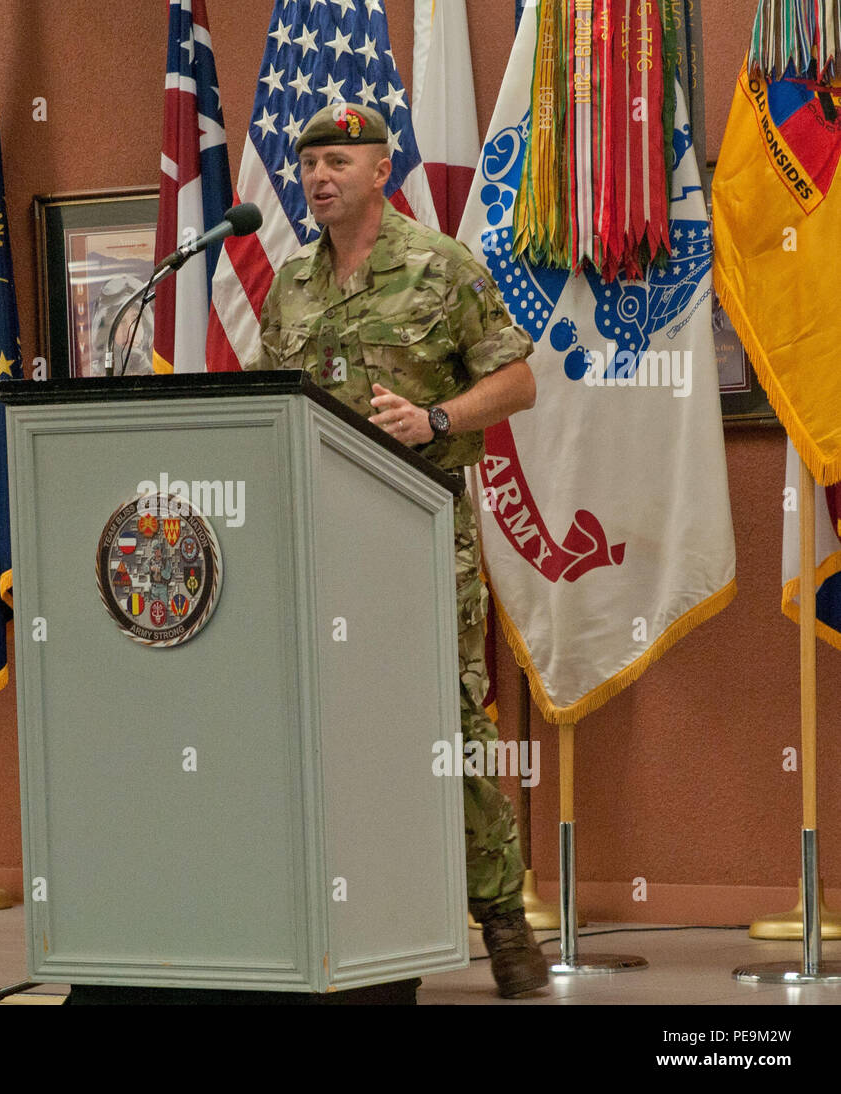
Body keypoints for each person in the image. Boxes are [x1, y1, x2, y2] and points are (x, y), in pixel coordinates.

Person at [246, 103, 545, 998]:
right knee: (326, 726)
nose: (318, 177)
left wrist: (438, 418)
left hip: (420, 535)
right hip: (316, 541)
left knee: (451, 728)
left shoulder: (439, 267)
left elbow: (519, 379)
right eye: (308, 165)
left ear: (382, 171)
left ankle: (502, 921)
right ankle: (353, 917)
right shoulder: (290, 284)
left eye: (339, 160)